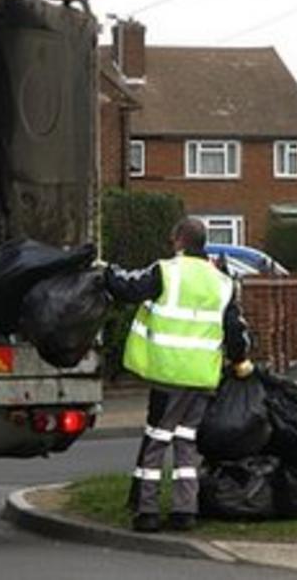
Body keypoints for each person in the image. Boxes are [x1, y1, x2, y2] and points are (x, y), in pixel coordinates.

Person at [105, 217, 251, 533]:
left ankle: (147, 511)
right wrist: (240, 361)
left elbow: (129, 289)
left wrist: (105, 271)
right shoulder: (222, 282)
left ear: (179, 240)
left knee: (157, 440)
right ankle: (186, 511)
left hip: (169, 373)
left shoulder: (167, 271)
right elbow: (235, 330)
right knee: (187, 443)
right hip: (202, 377)